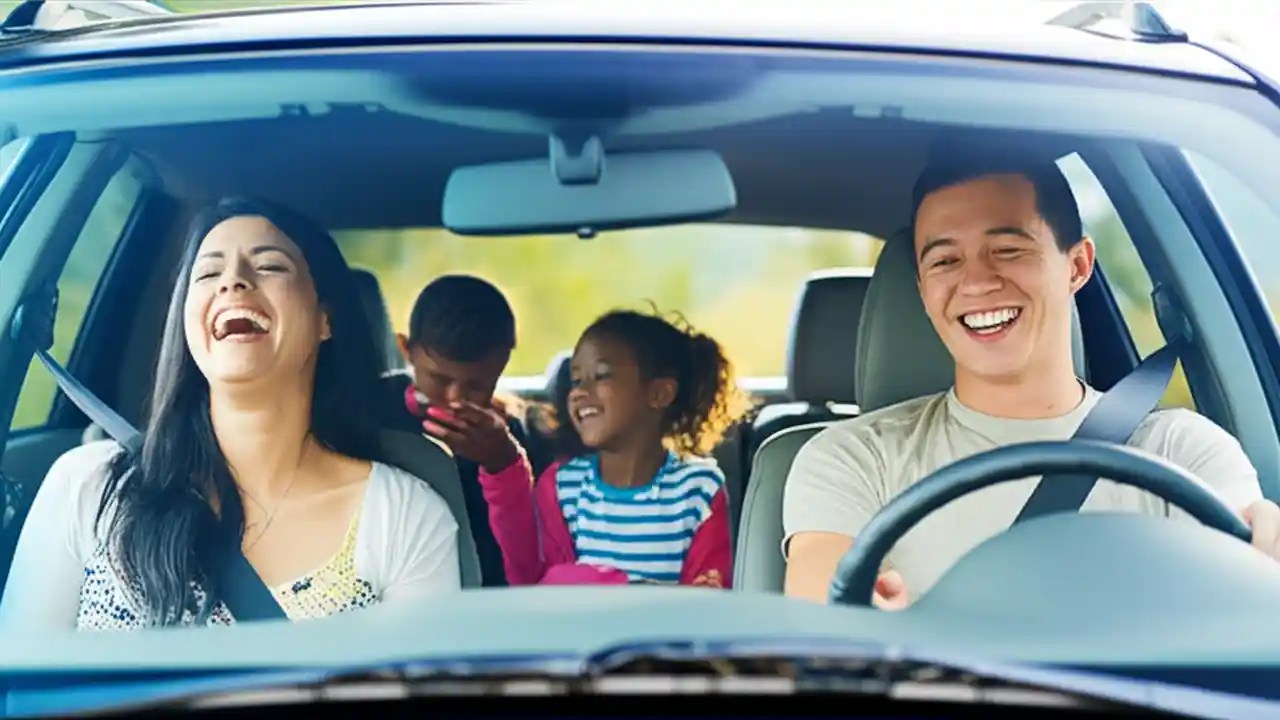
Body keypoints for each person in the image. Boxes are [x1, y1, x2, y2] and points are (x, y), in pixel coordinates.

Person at [782, 147, 1280, 608]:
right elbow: (824, 617)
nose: (976, 282)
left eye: (1008, 250)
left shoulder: (1182, 452)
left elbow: (1244, 606)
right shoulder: (852, 459)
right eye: (945, 261)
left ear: (1077, 266)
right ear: (923, 290)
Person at [0, 197, 460, 630]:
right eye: (207, 273)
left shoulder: (404, 516)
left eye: (270, 266)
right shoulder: (89, 487)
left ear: (326, 319)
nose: (233, 281)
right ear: (186, 320)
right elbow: (20, 679)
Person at [477, 309, 752, 587]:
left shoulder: (698, 488)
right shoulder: (563, 486)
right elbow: (540, 584)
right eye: (577, 381)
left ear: (659, 394)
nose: (579, 392)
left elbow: (707, 595)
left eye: (601, 376)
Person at [377, 275, 547, 587]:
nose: (455, 398)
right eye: (439, 379)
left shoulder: (505, 438)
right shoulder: (373, 412)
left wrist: (501, 463)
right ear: (406, 349)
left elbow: (523, 558)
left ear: (502, 365)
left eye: (477, 385)